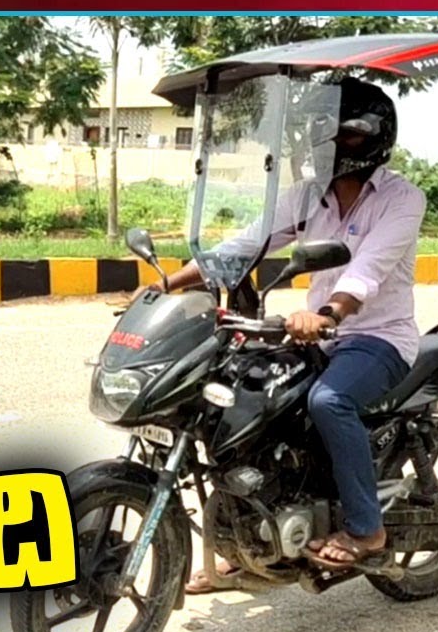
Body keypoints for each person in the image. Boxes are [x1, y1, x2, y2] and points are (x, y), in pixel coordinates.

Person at [147, 77, 423, 591]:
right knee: (236, 401)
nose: (329, 146)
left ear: (373, 137)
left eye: (344, 136)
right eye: (321, 134)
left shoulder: (402, 199)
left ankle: (367, 530)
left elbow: (368, 269)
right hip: (318, 335)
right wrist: (165, 284)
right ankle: (242, 537)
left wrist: (328, 312)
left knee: (330, 401)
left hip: (377, 336)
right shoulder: (307, 196)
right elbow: (243, 246)